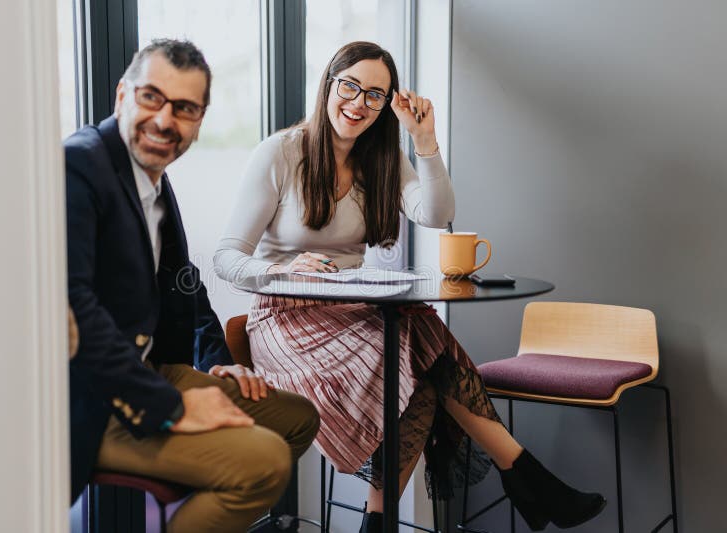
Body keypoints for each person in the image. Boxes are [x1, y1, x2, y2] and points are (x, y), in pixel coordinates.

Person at [215, 41, 605, 532]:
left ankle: (383, 520)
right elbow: (225, 257)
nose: (358, 104)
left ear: (387, 105)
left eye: (375, 95)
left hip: (353, 313)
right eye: (350, 86)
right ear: (330, 84)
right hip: (286, 319)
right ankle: (523, 476)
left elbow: (437, 215)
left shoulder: (380, 158)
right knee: (418, 356)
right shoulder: (281, 152)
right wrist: (285, 269)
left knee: (419, 346)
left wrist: (425, 142)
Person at [66, 39, 319, 533]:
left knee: (296, 417)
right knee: (263, 460)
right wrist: (175, 407)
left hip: (160, 368)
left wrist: (217, 363)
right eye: (151, 98)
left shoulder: (153, 179)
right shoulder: (80, 167)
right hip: (93, 396)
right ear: (122, 95)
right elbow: (72, 308)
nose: (165, 120)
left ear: (199, 121)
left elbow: (184, 287)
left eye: (184, 108)